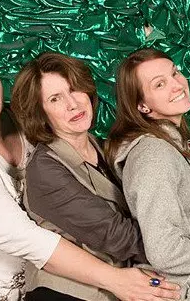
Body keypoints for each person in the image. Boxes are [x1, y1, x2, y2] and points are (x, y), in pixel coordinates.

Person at [0, 41, 181, 301]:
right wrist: (118, 279)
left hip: (38, 282)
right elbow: (31, 240)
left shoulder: (22, 121)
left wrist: (189, 250)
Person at [104, 48, 190, 300]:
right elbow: (165, 251)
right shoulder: (153, 154)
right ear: (142, 106)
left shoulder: (171, 145)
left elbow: (182, 230)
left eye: (174, 73)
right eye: (160, 84)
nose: (177, 84)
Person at [10, 52, 148, 301]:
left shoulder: (105, 149)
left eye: (74, 90)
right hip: (66, 293)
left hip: (121, 282)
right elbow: (117, 236)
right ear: (40, 114)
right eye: (55, 99)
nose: (72, 104)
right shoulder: (45, 171)